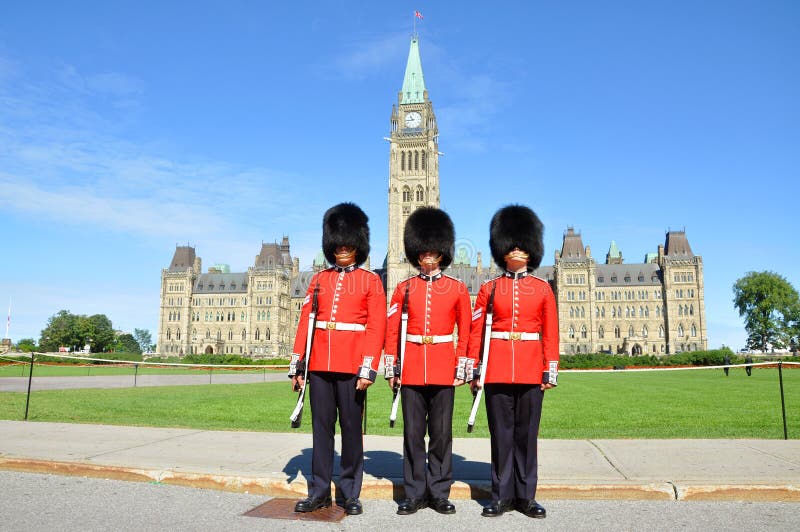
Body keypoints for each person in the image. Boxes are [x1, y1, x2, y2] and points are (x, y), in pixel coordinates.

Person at [288, 203, 387, 516]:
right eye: (338, 243)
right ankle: (318, 491)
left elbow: (376, 327)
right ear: (331, 245)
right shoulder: (320, 280)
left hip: (352, 366)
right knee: (321, 431)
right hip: (319, 366)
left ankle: (349, 492)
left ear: (357, 245)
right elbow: (307, 321)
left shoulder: (371, 281)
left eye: (348, 243)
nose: (342, 248)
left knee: (351, 431)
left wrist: (368, 367)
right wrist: (299, 364)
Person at [468, 205, 559, 519]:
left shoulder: (543, 289)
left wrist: (550, 369)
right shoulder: (488, 289)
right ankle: (501, 496)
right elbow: (476, 332)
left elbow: (550, 334)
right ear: (501, 248)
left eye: (522, 243)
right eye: (512, 243)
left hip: (532, 369)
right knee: (501, 436)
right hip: (496, 370)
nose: (517, 248)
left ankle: (526, 496)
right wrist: (475, 370)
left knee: (526, 436)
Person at [383, 207, 474, 516]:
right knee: (411, 435)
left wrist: (462, 367)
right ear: (416, 253)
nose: (428, 256)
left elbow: (466, 332)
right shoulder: (403, 289)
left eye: (434, 251)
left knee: (441, 435)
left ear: (442, 253)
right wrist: (392, 368)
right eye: (423, 251)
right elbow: (392, 331)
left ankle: (438, 491)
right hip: (410, 369)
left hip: (443, 368)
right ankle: (414, 492)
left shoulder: (458, 289)